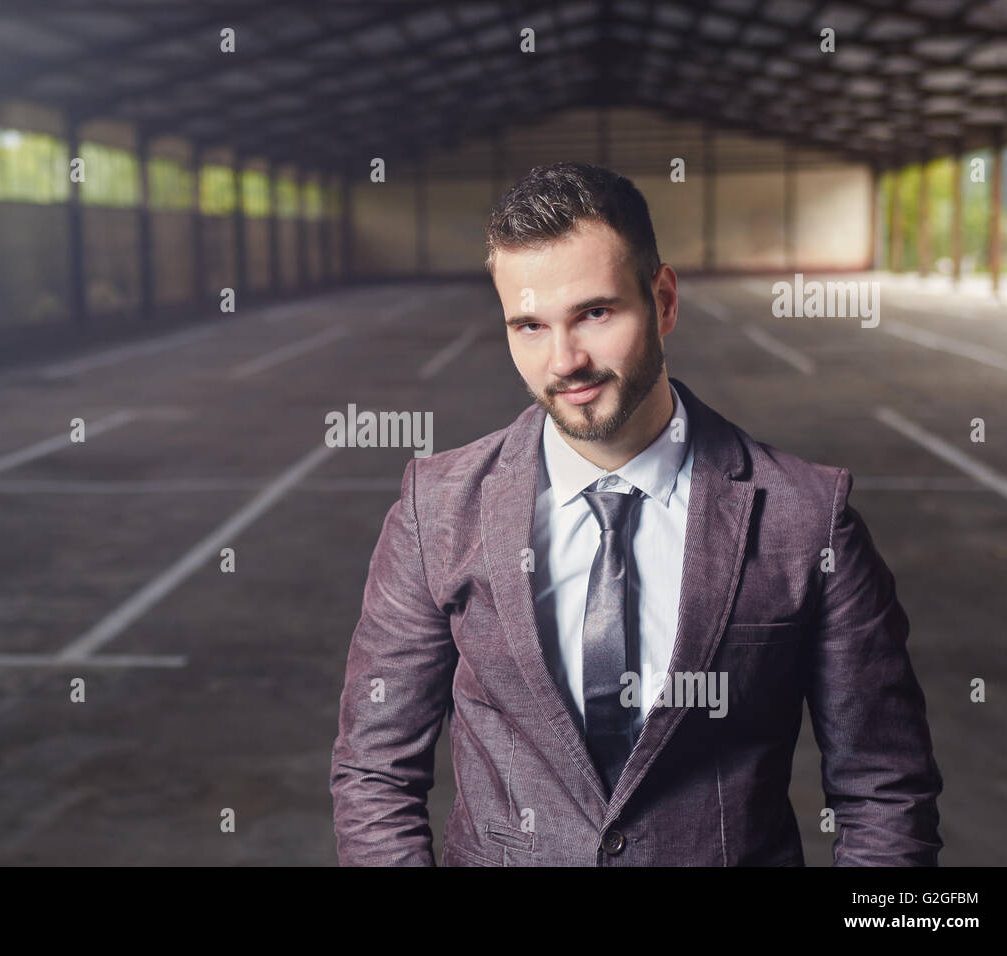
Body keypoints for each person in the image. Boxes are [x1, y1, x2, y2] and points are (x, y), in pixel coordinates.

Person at [329, 162, 942, 866]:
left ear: (664, 299)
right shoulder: (434, 508)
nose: (565, 361)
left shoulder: (808, 519)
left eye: (595, 312)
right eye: (529, 325)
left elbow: (885, 793)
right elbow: (376, 773)